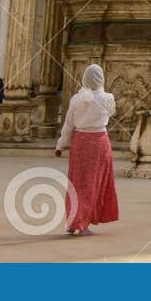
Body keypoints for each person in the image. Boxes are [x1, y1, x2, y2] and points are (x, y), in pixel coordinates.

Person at [54, 64, 118, 236]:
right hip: (99, 142)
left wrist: (60, 145)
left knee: (77, 182)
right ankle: (83, 223)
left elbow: (68, 125)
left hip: (80, 141)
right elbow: (111, 113)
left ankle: (72, 221)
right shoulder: (108, 98)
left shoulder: (77, 99)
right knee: (93, 183)